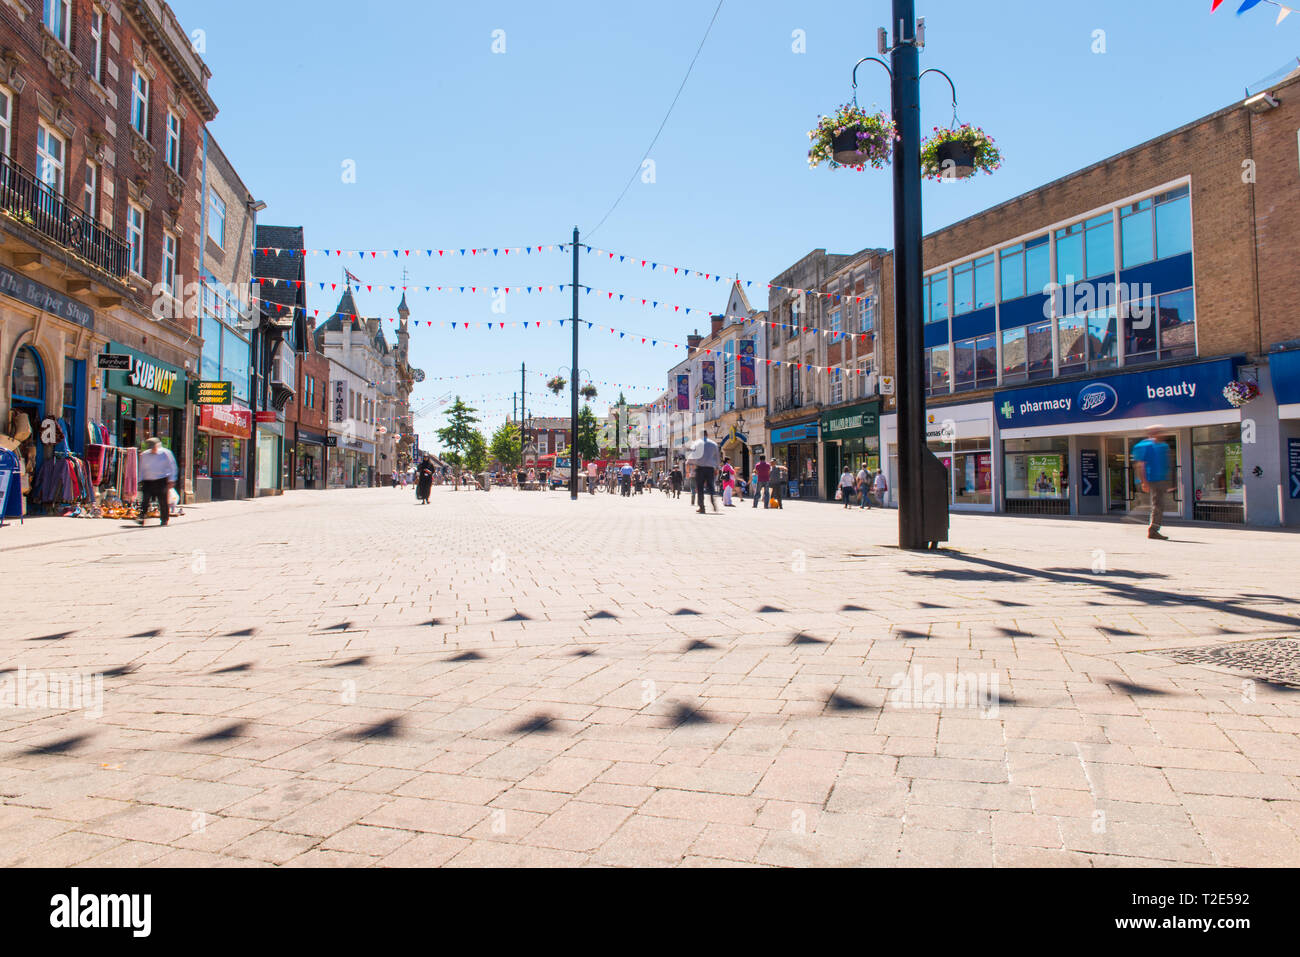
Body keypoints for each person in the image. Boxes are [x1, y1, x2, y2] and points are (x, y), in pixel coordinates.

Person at [1132, 426, 1174, 540]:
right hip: (1151, 479)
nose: (1161, 434)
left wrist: (1168, 482)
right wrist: (1143, 482)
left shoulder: (1163, 446)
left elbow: (1166, 464)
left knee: (1158, 505)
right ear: (1151, 433)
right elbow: (1140, 465)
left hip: (1160, 479)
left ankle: (1153, 529)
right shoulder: (1144, 446)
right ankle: (1153, 530)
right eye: (1158, 432)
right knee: (1157, 505)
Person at [137, 437, 177, 526]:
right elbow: (141, 468)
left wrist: (172, 480)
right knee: (145, 500)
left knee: (162, 501)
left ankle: (164, 519)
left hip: (161, 480)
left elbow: (172, 466)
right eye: (151, 447)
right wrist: (140, 479)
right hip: (148, 481)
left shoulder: (166, 453)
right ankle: (141, 516)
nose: (153, 449)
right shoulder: (144, 455)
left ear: (158, 445)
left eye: (154, 447)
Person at [686, 432, 721, 514]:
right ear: (707, 435)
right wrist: (717, 468)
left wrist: (689, 466)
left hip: (700, 468)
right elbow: (717, 457)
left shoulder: (696, 443)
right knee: (711, 486)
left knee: (700, 488)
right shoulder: (713, 444)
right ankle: (713, 500)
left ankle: (702, 507)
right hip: (710, 469)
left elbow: (692, 456)